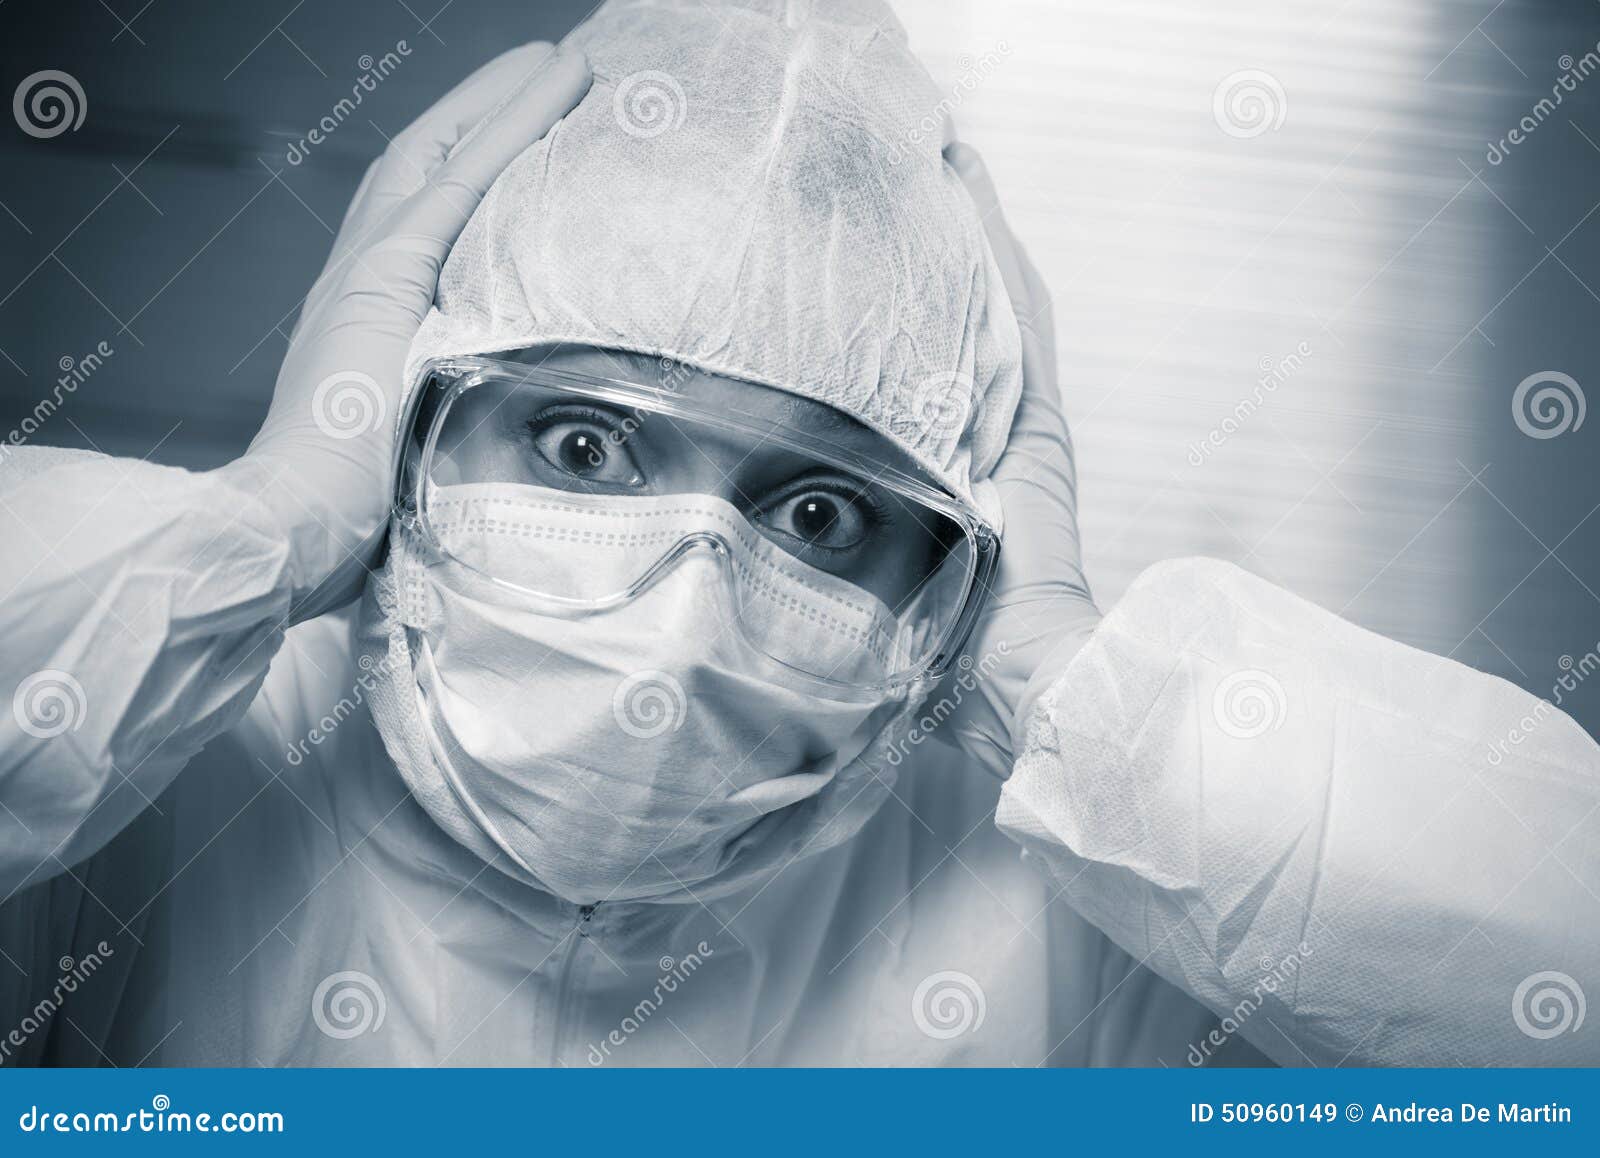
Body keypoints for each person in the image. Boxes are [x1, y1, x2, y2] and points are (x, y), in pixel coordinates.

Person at [1, 0, 1596, 1067]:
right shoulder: (170, 781)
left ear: (940, 570)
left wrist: (1058, 678)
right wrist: (273, 522)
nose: (686, 604)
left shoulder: (1057, 911)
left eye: (821, 509)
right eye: (584, 441)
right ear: (418, 422)